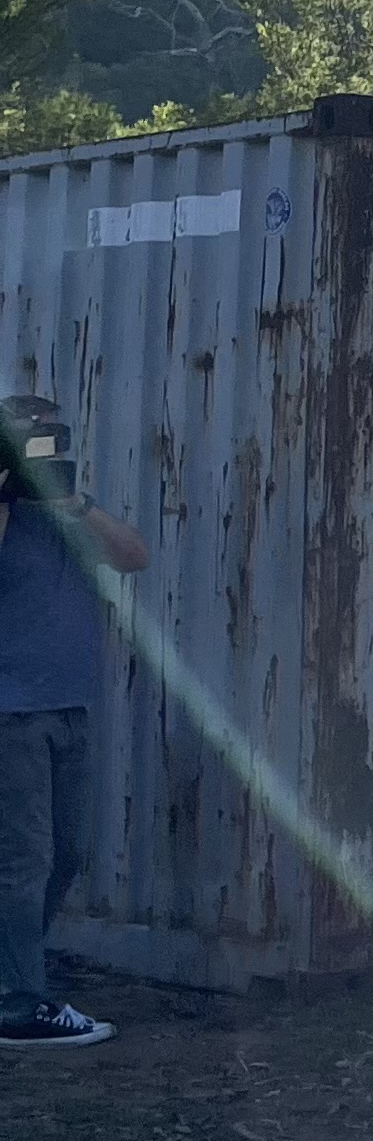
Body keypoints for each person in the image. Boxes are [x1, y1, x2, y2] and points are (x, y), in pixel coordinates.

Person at [0, 398, 150, 1050]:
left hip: (70, 708)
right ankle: (19, 1004)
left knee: (66, 855)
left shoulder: (70, 517)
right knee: (23, 862)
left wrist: (72, 502)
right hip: (12, 713)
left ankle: (14, 974)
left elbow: (134, 556)